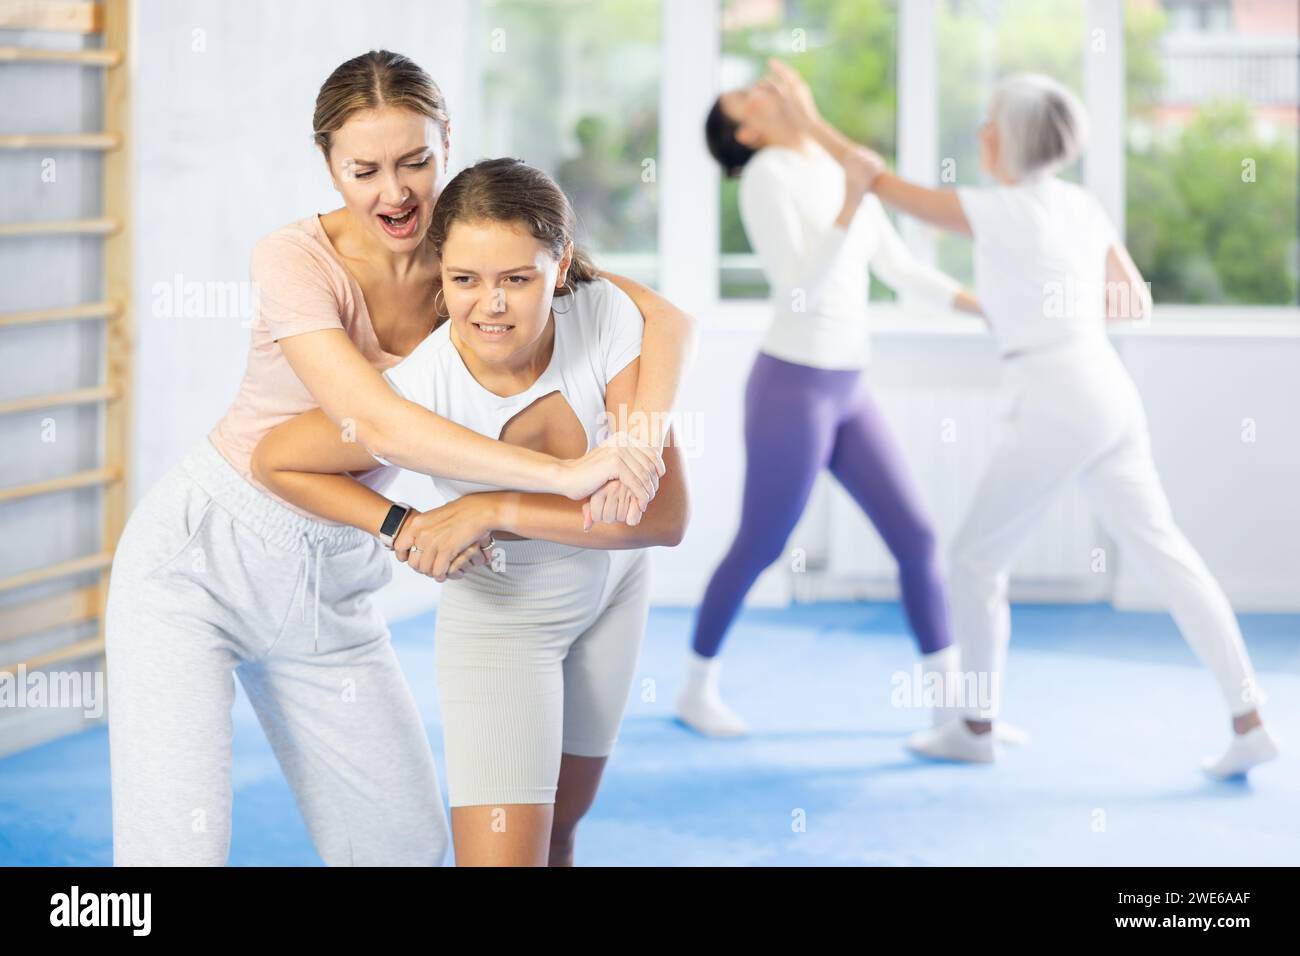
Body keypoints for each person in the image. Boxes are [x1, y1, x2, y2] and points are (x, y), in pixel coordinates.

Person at [105, 50, 693, 867]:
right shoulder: (292, 259)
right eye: (366, 169)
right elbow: (371, 421)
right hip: (204, 556)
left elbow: (651, 315)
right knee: (178, 849)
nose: (397, 192)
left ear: (446, 141)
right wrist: (558, 481)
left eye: (417, 161)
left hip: (335, 575)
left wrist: (634, 439)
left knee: (404, 850)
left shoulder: (470, 260)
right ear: (327, 164)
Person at [771, 62, 1278, 777]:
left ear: (1006, 139)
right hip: (1105, 385)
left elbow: (874, 180)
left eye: (988, 120)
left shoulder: (998, 210)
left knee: (974, 560)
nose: (979, 130)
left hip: (1057, 396)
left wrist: (807, 115)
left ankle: (974, 728)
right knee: (1167, 555)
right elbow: (1134, 298)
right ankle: (1248, 718)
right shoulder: (1079, 206)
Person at [253, 157, 690, 866]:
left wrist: (491, 506)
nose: (490, 305)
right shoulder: (420, 386)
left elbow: (664, 519)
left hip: (615, 589)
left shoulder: (604, 313)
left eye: (517, 279)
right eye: (465, 280)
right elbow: (277, 457)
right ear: (441, 272)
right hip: (502, 617)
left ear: (561, 264)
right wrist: (401, 524)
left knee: (561, 835)